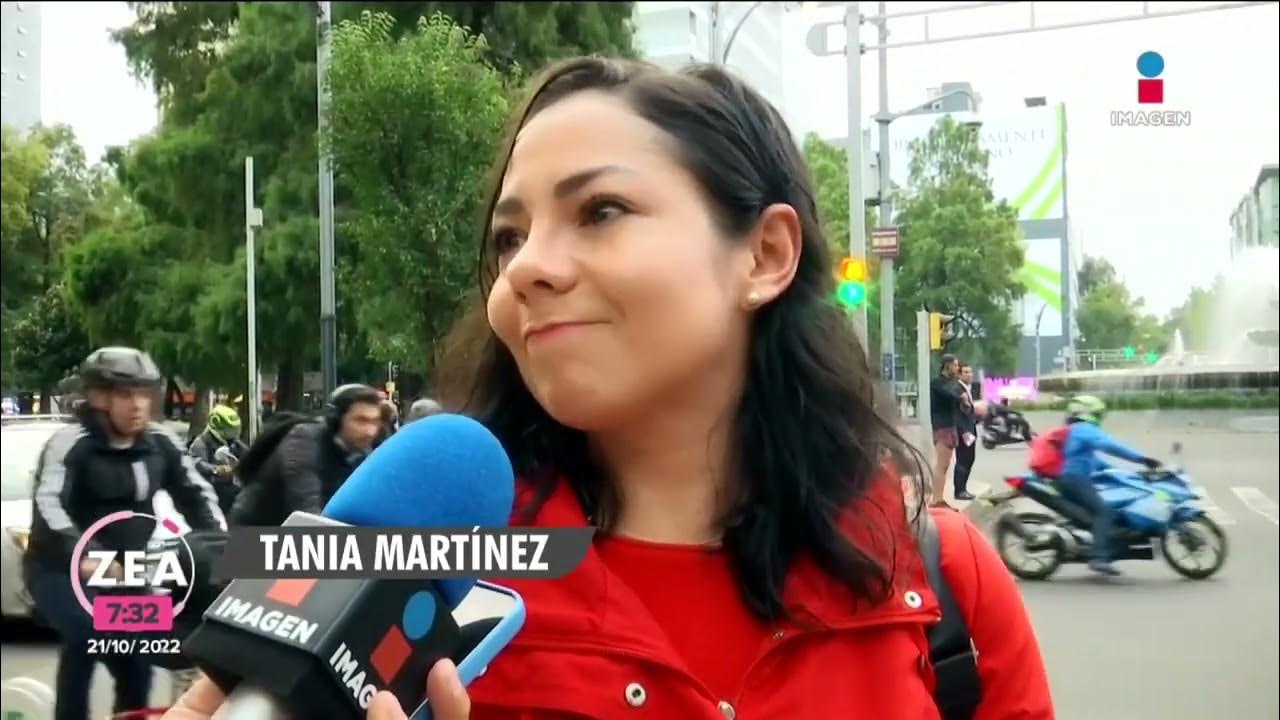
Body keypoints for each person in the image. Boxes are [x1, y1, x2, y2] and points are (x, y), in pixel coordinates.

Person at [163, 57, 1052, 720]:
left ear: (766, 254)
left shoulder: (935, 581)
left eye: (601, 212)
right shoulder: (426, 582)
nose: (528, 271)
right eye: (510, 238)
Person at [25, 346, 227, 720]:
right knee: (88, 635)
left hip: (128, 572)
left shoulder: (161, 443)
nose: (138, 405)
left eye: (144, 393)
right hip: (60, 570)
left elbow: (198, 495)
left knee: (139, 656)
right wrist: (88, 556)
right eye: (125, 394)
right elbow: (48, 507)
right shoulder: (69, 444)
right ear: (98, 397)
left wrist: (219, 549)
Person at [226, 383, 382, 526]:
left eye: (374, 422)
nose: (370, 431)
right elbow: (306, 505)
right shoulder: (303, 441)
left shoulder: (360, 454)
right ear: (336, 418)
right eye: (361, 420)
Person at [1057, 394, 1162, 577]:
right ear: (1087, 412)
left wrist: (1124, 473)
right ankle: (1098, 558)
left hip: (1075, 478)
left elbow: (1094, 462)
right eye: (1097, 413)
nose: (1100, 418)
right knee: (1103, 512)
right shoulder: (1084, 428)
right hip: (1074, 479)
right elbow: (1109, 445)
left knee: (1106, 509)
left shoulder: (1075, 429)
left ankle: (1101, 544)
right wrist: (1141, 459)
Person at [188, 404, 249, 513]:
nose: (233, 433)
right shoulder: (200, 443)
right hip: (212, 496)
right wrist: (217, 469)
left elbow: (248, 454)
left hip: (233, 494)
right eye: (229, 429)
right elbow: (196, 463)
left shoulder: (233, 443)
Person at [929, 353, 968, 508]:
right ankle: (936, 499)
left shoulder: (952, 383)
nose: (957, 368)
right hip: (942, 426)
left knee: (944, 466)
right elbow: (953, 395)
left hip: (950, 426)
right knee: (941, 464)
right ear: (947, 365)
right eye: (955, 365)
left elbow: (960, 396)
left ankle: (939, 497)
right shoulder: (938, 383)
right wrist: (961, 397)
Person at [953, 362, 979, 501]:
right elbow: (958, 413)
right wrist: (963, 431)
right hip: (964, 431)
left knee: (969, 459)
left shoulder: (968, 388)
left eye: (970, 372)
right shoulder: (958, 389)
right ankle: (959, 490)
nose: (969, 375)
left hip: (970, 428)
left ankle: (963, 488)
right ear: (959, 374)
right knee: (963, 459)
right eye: (966, 372)